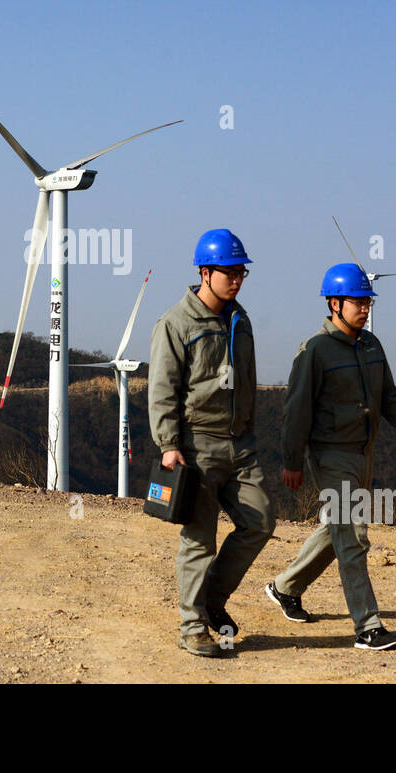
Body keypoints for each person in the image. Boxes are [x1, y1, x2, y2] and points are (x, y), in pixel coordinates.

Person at [264, 263, 396, 651]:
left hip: (364, 453)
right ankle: (368, 627)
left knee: (337, 526)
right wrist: (292, 461)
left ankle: (285, 588)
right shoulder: (315, 351)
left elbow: (389, 395)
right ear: (334, 303)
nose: (365, 308)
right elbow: (296, 411)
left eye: (367, 301)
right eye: (358, 301)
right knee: (353, 534)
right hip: (329, 455)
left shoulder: (372, 345)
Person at [148, 229, 275, 658]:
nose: (236, 279)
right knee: (199, 539)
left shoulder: (241, 320)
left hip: (240, 445)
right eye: (229, 272)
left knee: (259, 522)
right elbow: (162, 389)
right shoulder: (175, 323)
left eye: (241, 272)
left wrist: (250, 431)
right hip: (196, 445)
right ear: (205, 272)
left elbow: (249, 381)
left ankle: (210, 601)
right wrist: (168, 444)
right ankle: (191, 627)